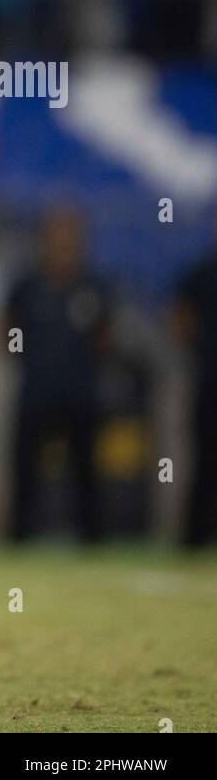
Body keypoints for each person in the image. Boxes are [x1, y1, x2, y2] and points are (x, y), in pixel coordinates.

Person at [4, 208, 112, 543]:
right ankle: (19, 539)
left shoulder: (94, 286)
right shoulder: (27, 286)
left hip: (79, 391)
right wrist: (26, 358)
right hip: (36, 391)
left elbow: (104, 338)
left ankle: (91, 539)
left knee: (84, 470)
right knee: (25, 469)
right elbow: (6, 331)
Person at [173, 222, 217, 547]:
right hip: (210, 381)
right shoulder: (203, 273)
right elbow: (180, 319)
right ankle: (195, 539)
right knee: (204, 461)